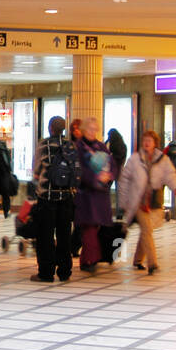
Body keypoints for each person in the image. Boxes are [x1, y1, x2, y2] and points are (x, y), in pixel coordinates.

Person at [117, 131, 176, 275]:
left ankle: (138, 260)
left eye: (149, 140)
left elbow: (170, 174)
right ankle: (152, 263)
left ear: (155, 143)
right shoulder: (135, 159)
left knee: (147, 231)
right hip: (138, 200)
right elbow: (125, 179)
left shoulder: (162, 159)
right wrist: (123, 201)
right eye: (144, 140)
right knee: (146, 230)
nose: (146, 143)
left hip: (154, 201)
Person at [30, 115, 80, 283]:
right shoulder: (70, 145)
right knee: (64, 235)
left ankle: (46, 272)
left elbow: (37, 169)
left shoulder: (43, 144)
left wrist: (35, 185)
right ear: (63, 129)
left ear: (50, 128)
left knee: (45, 235)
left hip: (47, 196)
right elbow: (76, 169)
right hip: (66, 197)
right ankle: (65, 271)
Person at [74, 117, 115, 272]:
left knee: (95, 227)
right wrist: (94, 178)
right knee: (89, 226)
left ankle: (87, 259)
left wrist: (108, 175)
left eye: (94, 128)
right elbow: (78, 170)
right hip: (86, 194)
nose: (92, 131)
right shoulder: (78, 147)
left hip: (100, 194)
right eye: (89, 128)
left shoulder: (101, 146)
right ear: (84, 129)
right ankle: (91, 259)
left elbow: (112, 164)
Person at [106, 128, 127, 217]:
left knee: (106, 190)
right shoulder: (122, 145)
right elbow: (123, 157)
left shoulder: (108, 142)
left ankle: (106, 209)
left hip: (110, 169)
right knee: (120, 192)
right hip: (120, 169)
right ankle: (120, 212)